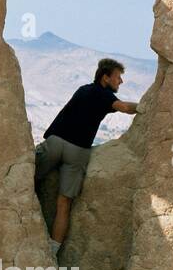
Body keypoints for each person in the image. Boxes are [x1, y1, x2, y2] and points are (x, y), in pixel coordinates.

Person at [35, 57, 139, 256]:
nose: (121, 81)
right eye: (118, 77)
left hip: (56, 142)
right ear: (105, 78)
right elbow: (125, 108)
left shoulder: (83, 90)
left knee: (28, 177)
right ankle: (52, 252)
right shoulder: (105, 96)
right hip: (77, 151)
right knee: (64, 203)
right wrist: (144, 106)